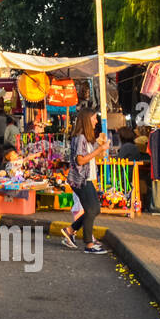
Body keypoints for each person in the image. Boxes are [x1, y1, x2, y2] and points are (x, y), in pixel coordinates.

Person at [60, 109, 110, 254]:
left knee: (95, 209)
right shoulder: (79, 138)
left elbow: (93, 156)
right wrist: (99, 148)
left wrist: (101, 147)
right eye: (94, 118)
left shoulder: (87, 138)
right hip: (81, 179)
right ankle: (89, 244)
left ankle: (70, 230)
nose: (96, 121)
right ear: (87, 120)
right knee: (91, 209)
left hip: (88, 178)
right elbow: (80, 160)